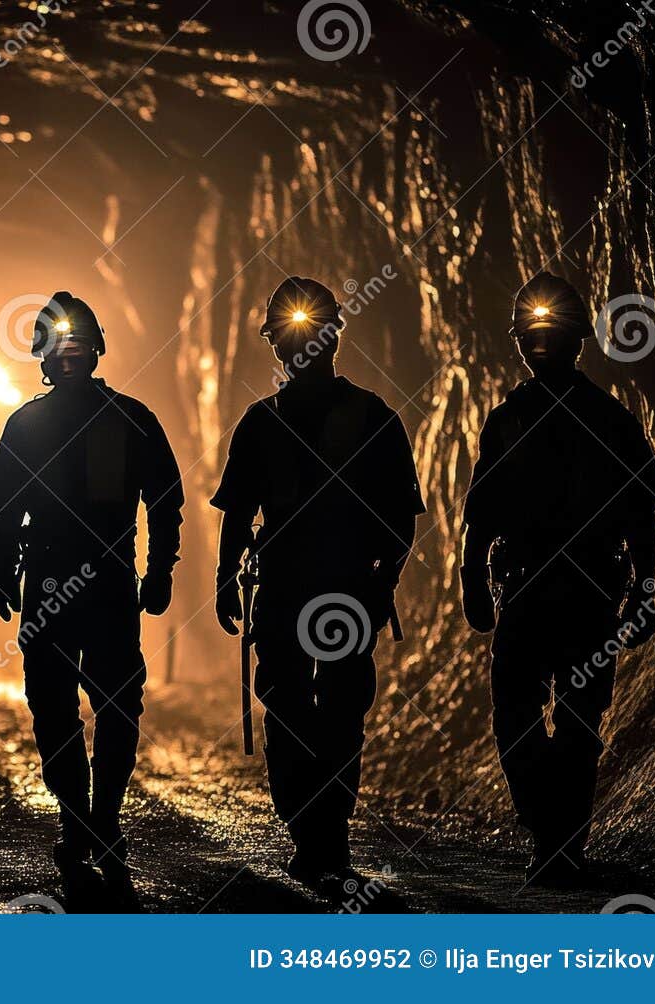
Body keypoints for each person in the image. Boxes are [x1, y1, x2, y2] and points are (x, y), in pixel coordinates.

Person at [211, 276, 423, 885]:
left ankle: (319, 833)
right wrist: (382, 581)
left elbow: (399, 516)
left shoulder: (279, 420)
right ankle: (316, 830)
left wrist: (229, 577)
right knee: (316, 710)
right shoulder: (352, 417)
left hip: (318, 589)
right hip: (331, 591)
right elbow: (239, 509)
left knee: (313, 710)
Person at [461, 271, 655, 886]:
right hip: (536, 592)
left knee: (575, 720)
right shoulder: (509, 422)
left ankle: (561, 845)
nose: (541, 346)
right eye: (533, 336)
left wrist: (646, 592)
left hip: (581, 595)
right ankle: (550, 829)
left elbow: (640, 514)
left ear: (578, 342)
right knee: (520, 716)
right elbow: (483, 512)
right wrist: (473, 578)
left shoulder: (609, 422)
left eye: (550, 336)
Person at [0, 292, 183, 901]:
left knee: (115, 704)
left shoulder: (126, 419)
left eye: (76, 347)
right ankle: (84, 821)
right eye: (58, 347)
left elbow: (165, 498)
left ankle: (99, 819)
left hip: (100, 585)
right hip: (60, 585)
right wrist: (0, 568)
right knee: (57, 707)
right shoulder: (36, 424)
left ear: (95, 351)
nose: (68, 357)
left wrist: (160, 570)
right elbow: (3, 507)